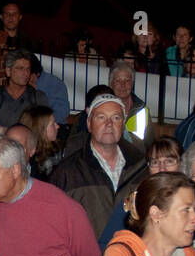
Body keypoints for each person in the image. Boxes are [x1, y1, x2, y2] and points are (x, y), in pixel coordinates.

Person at [50, 93, 150, 244]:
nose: (109, 124)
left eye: (116, 118)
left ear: (123, 124)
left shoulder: (141, 167)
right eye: (101, 117)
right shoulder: (67, 172)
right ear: (89, 124)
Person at [0, 50, 48, 134]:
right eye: (20, 69)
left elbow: (43, 130)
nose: (25, 73)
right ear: (8, 71)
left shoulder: (38, 98)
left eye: (28, 69)